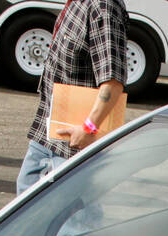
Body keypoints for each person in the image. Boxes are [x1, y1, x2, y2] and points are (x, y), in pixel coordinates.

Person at [16, 0, 125, 194]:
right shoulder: (78, 2)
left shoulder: (104, 7)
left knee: (77, 220)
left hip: (77, 149)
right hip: (47, 135)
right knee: (25, 216)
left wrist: (88, 128)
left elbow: (113, 83)